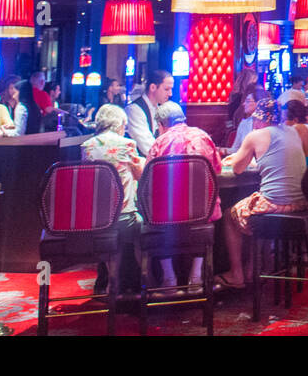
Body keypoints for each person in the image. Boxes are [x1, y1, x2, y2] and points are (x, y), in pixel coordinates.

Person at [216, 97, 308, 288]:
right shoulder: (292, 131)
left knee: (230, 215)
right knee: (252, 205)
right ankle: (255, 267)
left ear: (258, 119)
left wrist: (234, 158)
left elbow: (237, 169)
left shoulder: (256, 135)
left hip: (275, 205)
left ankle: (237, 274)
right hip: (301, 203)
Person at [146, 100, 222, 290]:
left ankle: (169, 277)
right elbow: (217, 170)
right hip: (202, 215)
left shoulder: (159, 142)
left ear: (162, 124)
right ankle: (195, 276)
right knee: (201, 209)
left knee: (153, 212)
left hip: (167, 217)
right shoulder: (203, 137)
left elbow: (147, 176)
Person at [82, 104, 144, 295]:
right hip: (124, 216)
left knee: (110, 231)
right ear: (120, 125)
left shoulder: (87, 147)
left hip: (98, 218)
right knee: (143, 226)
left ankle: (111, 278)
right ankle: (145, 279)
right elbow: (140, 175)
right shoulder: (127, 144)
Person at [126, 70, 173, 156]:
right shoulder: (134, 110)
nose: (170, 94)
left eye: (171, 89)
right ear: (153, 87)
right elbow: (148, 148)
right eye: (166, 89)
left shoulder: (161, 109)